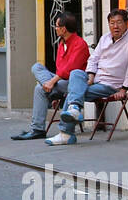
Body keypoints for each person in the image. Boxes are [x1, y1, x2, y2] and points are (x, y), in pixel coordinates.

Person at [48, 8, 128, 146]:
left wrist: (124, 89)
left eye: (119, 22)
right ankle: (74, 109)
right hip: (96, 80)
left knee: (72, 93)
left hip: (111, 85)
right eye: (112, 23)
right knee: (76, 73)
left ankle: (66, 133)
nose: (115, 26)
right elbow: (93, 59)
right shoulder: (104, 38)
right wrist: (91, 76)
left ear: (126, 23)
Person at [12, 13, 90, 141]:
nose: (55, 28)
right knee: (37, 67)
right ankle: (37, 129)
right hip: (61, 81)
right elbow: (60, 68)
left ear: (64, 29)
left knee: (39, 88)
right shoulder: (61, 43)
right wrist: (52, 84)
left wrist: (52, 82)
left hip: (74, 83)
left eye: (57, 26)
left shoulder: (79, 44)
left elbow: (69, 69)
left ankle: (38, 127)